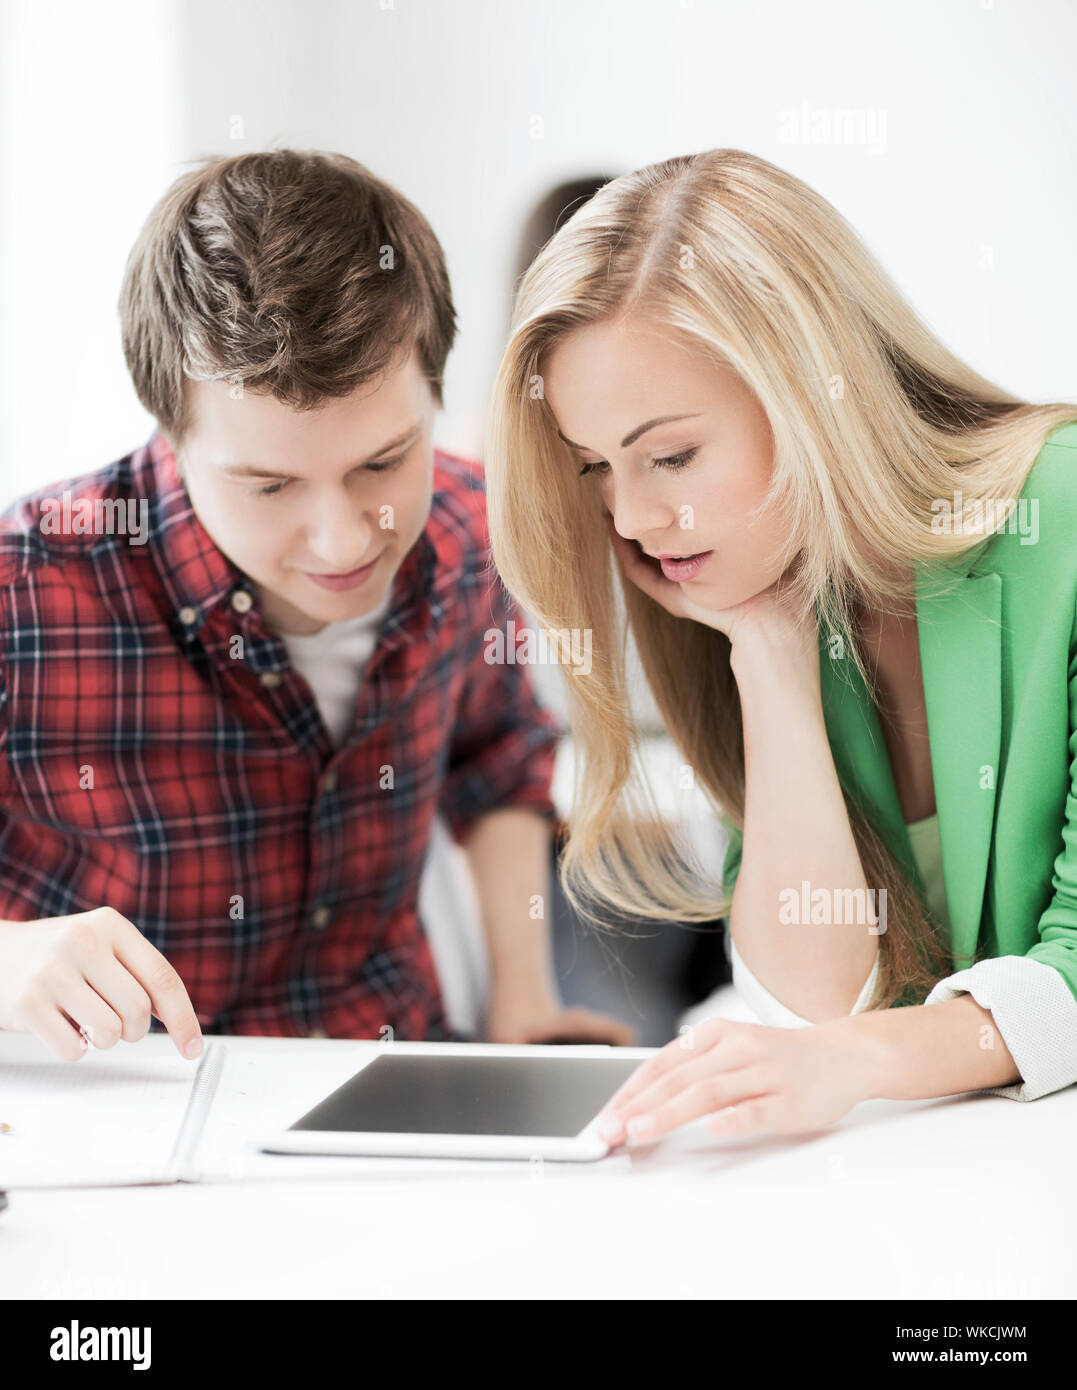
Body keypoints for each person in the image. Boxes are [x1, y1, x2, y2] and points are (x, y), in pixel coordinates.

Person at [483, 147, 1077, 1147]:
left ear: (812, 391)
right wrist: (765, 650)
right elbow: (818, 1000)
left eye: (671, 454)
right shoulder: (761, 579)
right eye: (596, 467)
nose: (632, 516)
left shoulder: (1057, 517)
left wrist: (859, 1060)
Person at [0, 148, 634, 1062]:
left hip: (392, 1080)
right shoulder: (30, 590)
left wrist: (522, 1001)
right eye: (268, 485)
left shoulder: (461, 532)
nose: (345, 541)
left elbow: (494, 761)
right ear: (170, 435)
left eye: (382, 462)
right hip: (118, 1119)